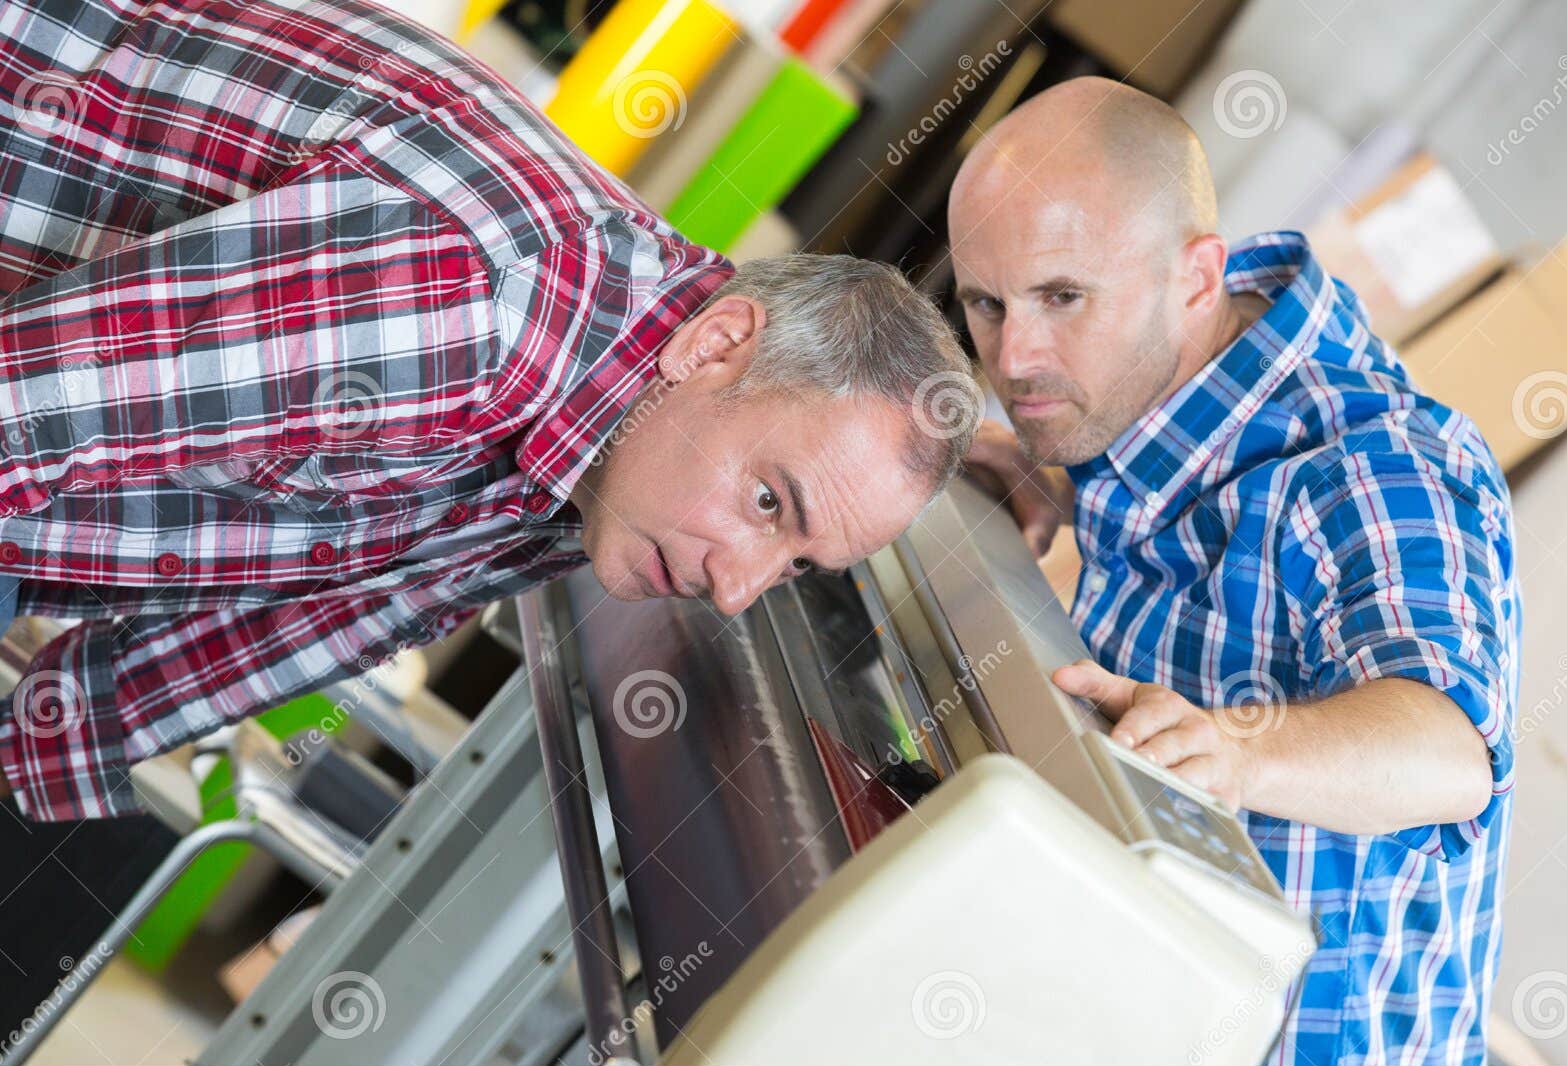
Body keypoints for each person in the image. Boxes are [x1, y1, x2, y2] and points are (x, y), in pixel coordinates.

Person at [0, 0, 980, 823]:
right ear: (715, 345)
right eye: (770, 505)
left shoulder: (614, 455)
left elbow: (322, 619)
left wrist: (39, 752)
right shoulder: (473, 299)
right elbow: (19, 410)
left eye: (795, 565)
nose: (734, 588)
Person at [954, 77, 1519, 1065]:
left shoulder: (1370, 463)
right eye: (983, 303)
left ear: (1194, 276)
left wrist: (1232, 749)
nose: (1014, 353)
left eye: (1059, 296)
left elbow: (1447, 752)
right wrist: (1017, 459)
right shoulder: (1142, 378)